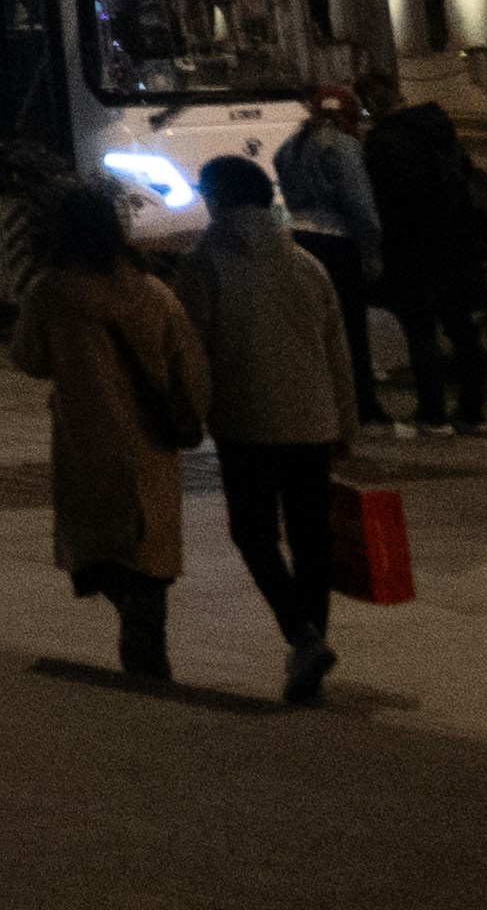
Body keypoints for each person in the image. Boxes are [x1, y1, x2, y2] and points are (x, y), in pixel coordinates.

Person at [8, 178, 209, 683]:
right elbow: (191, 369)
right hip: (150, 445)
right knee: (150, 553)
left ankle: (144, 661)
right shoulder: (154, 292)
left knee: (104, 548)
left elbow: (30, 359)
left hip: (85, 443)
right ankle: (148, 661)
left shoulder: (50, 292)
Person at [174, 155, 355, 707]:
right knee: (311, 542)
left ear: (217, 200)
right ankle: (310, 664)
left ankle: (301, 636)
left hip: (246, 422)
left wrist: (190, 415)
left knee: (253, 533)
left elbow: (191, 354)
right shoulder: (306, 264)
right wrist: (345, 422)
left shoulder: (205, 266)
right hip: (313, 422)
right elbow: (336, 355)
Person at [367, 99, 487, 434]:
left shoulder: (384, 144)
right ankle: (472, 413)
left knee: (421, 330)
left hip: (412, 250)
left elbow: (384, 205)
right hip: (457, 248)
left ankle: (433, 414)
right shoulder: (441, 136)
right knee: (462, 328)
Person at [273, 91, 392, 429]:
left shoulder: (292, 144)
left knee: (311, 326)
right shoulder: (343, 146)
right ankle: (361, 404)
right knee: (349, 329)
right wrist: (371, 253)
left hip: (299, 238)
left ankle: (317, 401)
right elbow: (361, 206)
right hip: (337, 244)